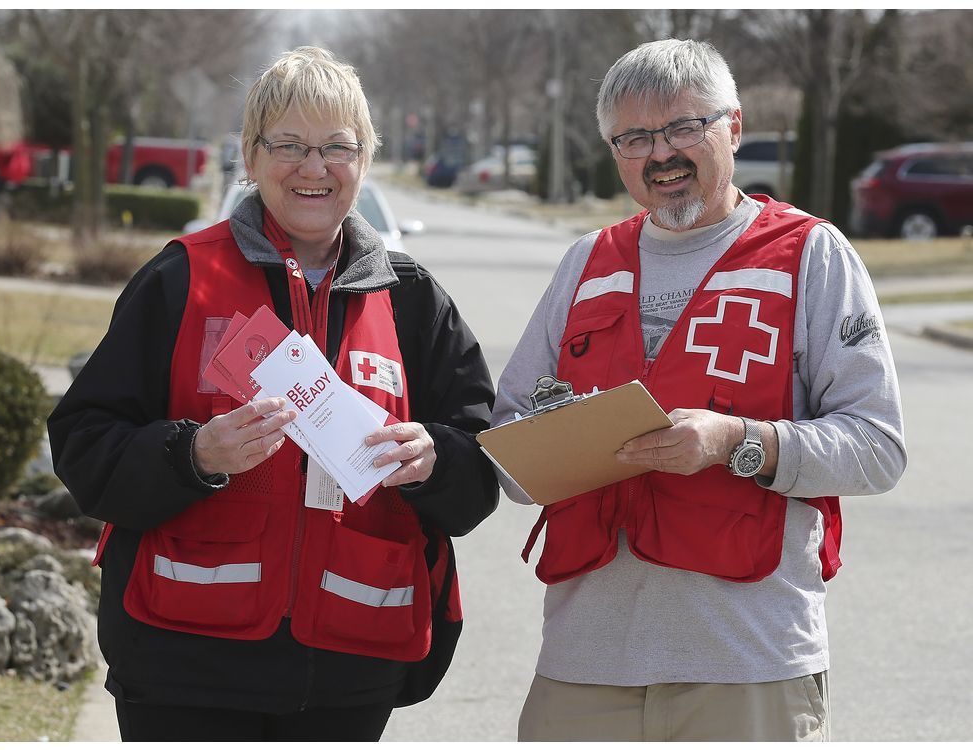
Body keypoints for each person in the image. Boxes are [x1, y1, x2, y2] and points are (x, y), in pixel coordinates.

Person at [48, 46, 498, 742]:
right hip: (180, 665)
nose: (313, 167)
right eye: (288, 144)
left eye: (336, 147)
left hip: (352, 672)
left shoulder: (414, 303)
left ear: (365, 159)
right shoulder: (179, 281)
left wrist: (435, 457)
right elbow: (82, 445)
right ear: (251, 159)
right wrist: (191, 454)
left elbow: (480, 471)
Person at [491, 39, 906, 742]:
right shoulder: (585, 263)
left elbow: (877, 447)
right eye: (635, 137)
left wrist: (737, 444)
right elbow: (509, 446)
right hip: (582, 667)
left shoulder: (812, 255)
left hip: (749, 664)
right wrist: (560, 443)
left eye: (685, 127)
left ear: (733, 128)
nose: (661, 155)